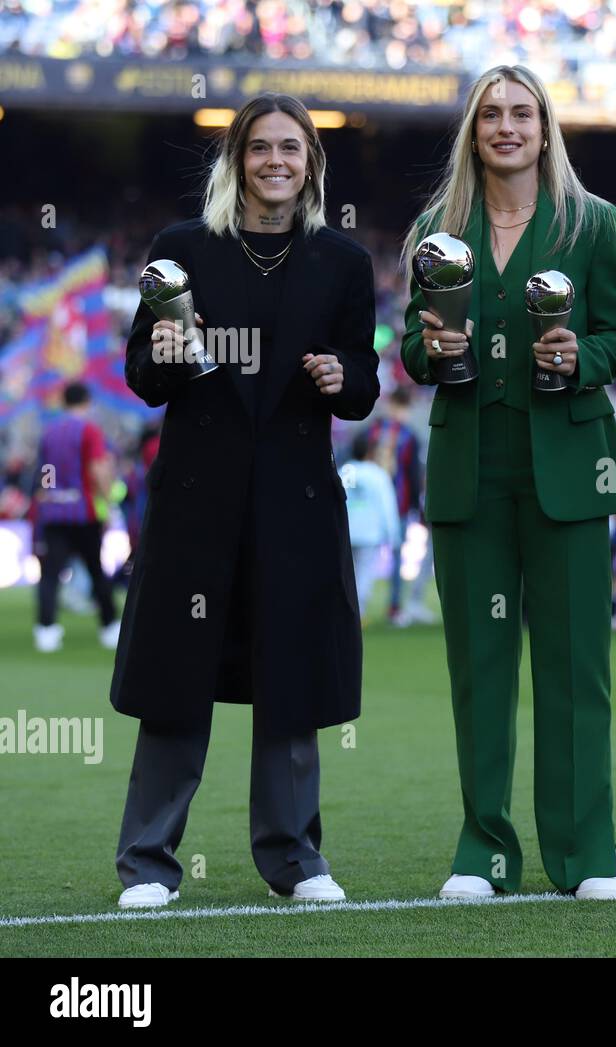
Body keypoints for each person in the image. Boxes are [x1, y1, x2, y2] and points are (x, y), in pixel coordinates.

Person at [110, 92, 379, 909]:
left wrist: (343, 378)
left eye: (290, 149)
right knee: (175, 679)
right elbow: (142, 376)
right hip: (199, 497)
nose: (275, 161)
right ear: (236, 161)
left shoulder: (344, 261)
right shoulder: (181, 248)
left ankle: (295, 859)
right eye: (259, 147)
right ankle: (149, 863)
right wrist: (162, 352)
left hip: (294, 502)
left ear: (311, 164)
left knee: (292, 677)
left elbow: (363, 383)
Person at [399, 65, 616, 901]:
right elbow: (411, 347)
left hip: (570, 467)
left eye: (521, 113)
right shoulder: (438, 227)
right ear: (473, 129)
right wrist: (436, 350)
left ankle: (586, 853)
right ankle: (484, 852)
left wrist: (581, 359)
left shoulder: (595, 224)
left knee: (578, 670)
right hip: (470, 464)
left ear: (545, 129)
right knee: (480, 668)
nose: (506, 126)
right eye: (491, 113)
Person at [31, 382, 120, 652]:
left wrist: (49, 496)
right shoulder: (89, 430)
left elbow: (46, 472)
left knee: (50, 575)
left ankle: (46, 630)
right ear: (86, 401)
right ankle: (109, 626)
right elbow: (96, 469)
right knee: (95, 570)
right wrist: (109, 501)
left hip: (55, 512)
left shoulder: (50, 432)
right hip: (83, 513)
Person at [364, 387, 431, 625]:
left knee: (380, 557)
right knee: (376, 557)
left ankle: (388, 606)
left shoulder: (376, 431)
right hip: (385, 506)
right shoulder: (393, 433)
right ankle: (385, 607)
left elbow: (413, 473)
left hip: (387, 506)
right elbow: (413, 474)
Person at [343, 430, 402, 623]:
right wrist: (393, 535)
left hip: (347, 530)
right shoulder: (377, 474)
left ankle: (345, 612)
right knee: (364, 574)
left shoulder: (346, 470)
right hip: (370, 533)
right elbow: (387, 506)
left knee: (346, 575)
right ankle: (357, 614)